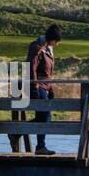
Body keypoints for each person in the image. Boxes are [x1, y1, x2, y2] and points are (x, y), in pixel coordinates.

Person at [26, 24, 61, 155]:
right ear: (51, 39)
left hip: (45, 87)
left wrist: (50, 88)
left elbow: (48, 73)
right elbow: (31, 68)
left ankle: (16, 132)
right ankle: (40, 146)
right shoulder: (37, 48)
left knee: (46, 117)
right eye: (57, 41)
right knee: (44, 115)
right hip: (37, 86)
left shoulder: (48, 49)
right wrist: (34, 86)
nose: (57, 44)